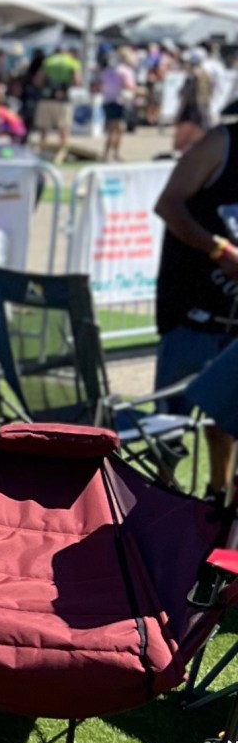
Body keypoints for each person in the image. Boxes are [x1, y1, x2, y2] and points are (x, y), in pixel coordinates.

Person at [153, 115, 238, 499]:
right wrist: (217, 249)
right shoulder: (221, 144)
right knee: (168, 427)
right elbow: (168, 205)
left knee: (227, 420)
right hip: (192, 313)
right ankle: (155, 503)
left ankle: (217, 503)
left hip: (232, 322)